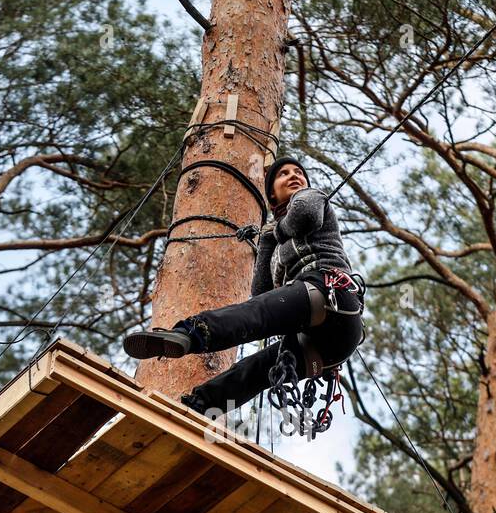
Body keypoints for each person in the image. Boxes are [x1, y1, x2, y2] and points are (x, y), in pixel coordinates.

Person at [122, 156, 364, 416]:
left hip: (330, 293)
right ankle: (199, 406)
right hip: (327, 348)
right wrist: (267, 238)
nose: (294, 176)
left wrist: (277, 230)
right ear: (271, 195)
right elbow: (262, 293)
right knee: (259, 368)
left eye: (298, 172)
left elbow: (305, 215)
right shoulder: (276, 237)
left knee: (255, 315)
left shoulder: (311, 196)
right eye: (284, 174)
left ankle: (188, 334)